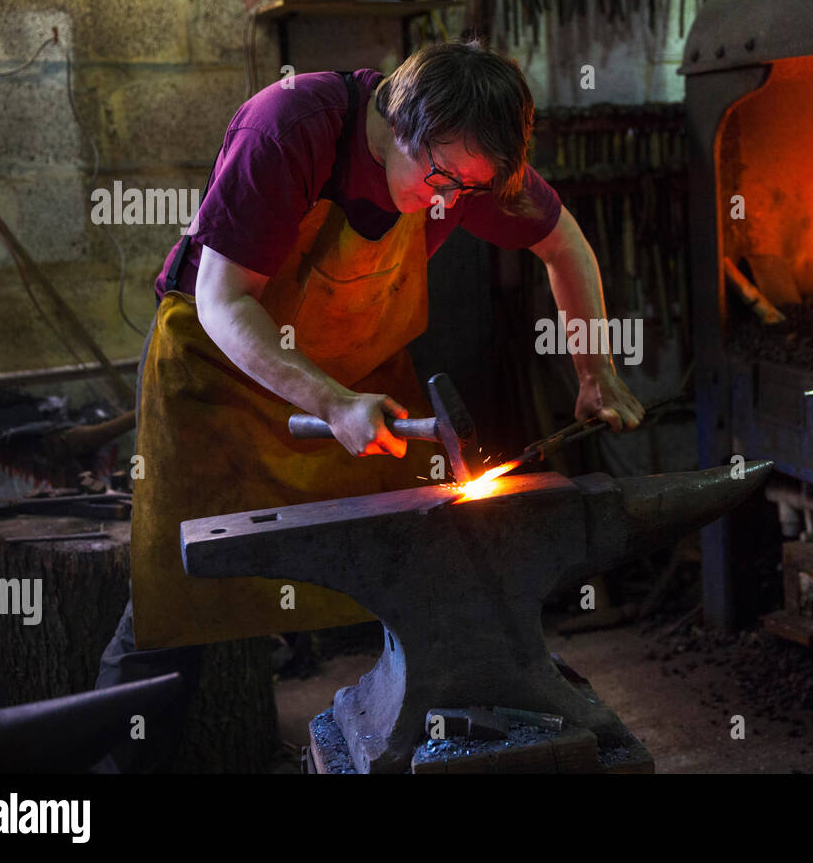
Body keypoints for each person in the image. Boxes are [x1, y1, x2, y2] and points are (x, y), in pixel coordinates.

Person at [94, 39, 644, 770]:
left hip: (363, 389)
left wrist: (596, 370)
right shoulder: (289, 128)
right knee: (177, 600)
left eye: (469, 190)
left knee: (432, 557)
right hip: (221, 380)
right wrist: (330, 402)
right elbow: (223, 302)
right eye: (442, 178)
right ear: (394, 122)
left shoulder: (459, 156)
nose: (450, 203)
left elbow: (564, 245)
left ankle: (437, 739)